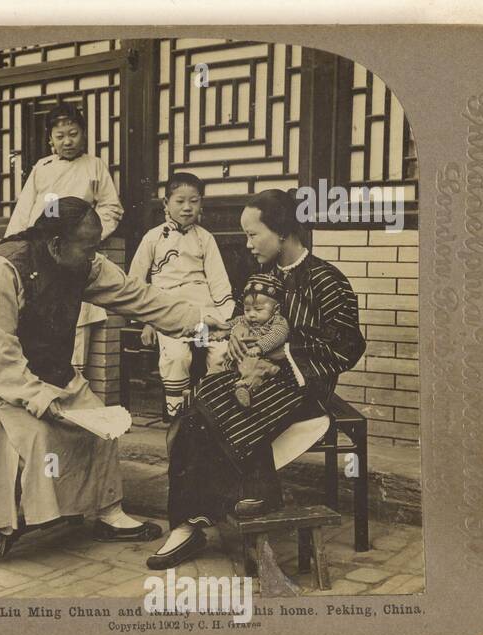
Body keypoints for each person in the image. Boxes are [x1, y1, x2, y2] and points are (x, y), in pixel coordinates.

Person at [0, 197, 228, 556]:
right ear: (56, 244)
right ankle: (6, 521)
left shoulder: (81, 262)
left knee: (100, 424)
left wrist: (196, 318)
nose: (94, 256)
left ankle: (109, 514)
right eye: (88, 248)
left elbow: (136, 296)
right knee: (39, 433)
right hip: (1, 378)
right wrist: (41, 399)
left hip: (53, 369)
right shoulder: (1, 268)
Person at [147, 189, 366, 569]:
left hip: (302, 386)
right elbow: (244, 322)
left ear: (282, 231)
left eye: (253, 234)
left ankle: (217, 511)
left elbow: (348, 345)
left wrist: (283, 352)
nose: (247, 244)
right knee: (194, 406)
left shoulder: (327, 280)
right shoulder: (262, 279)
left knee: (210, 415)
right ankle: (199, 518)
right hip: (254, 379)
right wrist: (235, 336)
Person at [4, 104, 121, 379]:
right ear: (50, 140)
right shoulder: (42, 168)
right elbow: (24, 212)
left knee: (74, 324)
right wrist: (12, 245)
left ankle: (70, 393)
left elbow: (111, 208)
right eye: (60, 136)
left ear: (83, 134)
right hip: (40, 253)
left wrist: (88, 236)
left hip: (74, 254)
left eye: (73, 133)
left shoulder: (94, 166)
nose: (67, 141)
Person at [128, 172, 235, 419]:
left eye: (194, 201)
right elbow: (134, 282)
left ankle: (211, 408)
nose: (187, 207)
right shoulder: (152, 238)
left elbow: (219, 281)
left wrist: (225, 319)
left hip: (203, 310)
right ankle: (178, 415)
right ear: (166, 204)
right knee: (176, 356)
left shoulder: (205, 238)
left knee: (221, 352)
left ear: (201, 203)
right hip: (166, 309)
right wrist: (149, 320)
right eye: (180, 201)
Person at [208, 273, 290, 410]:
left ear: (276, 309)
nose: (251, 314)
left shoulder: (278, 322)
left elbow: (278, 335)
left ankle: (245, 389)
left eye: (258, 309)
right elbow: (232, 324)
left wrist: (259, 347)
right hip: (239, 359)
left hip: (262, 358)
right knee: (218, 362)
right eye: (247, 309)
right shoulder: (245, 319)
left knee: (257, 369)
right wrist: (221, 332)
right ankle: (206, 385)